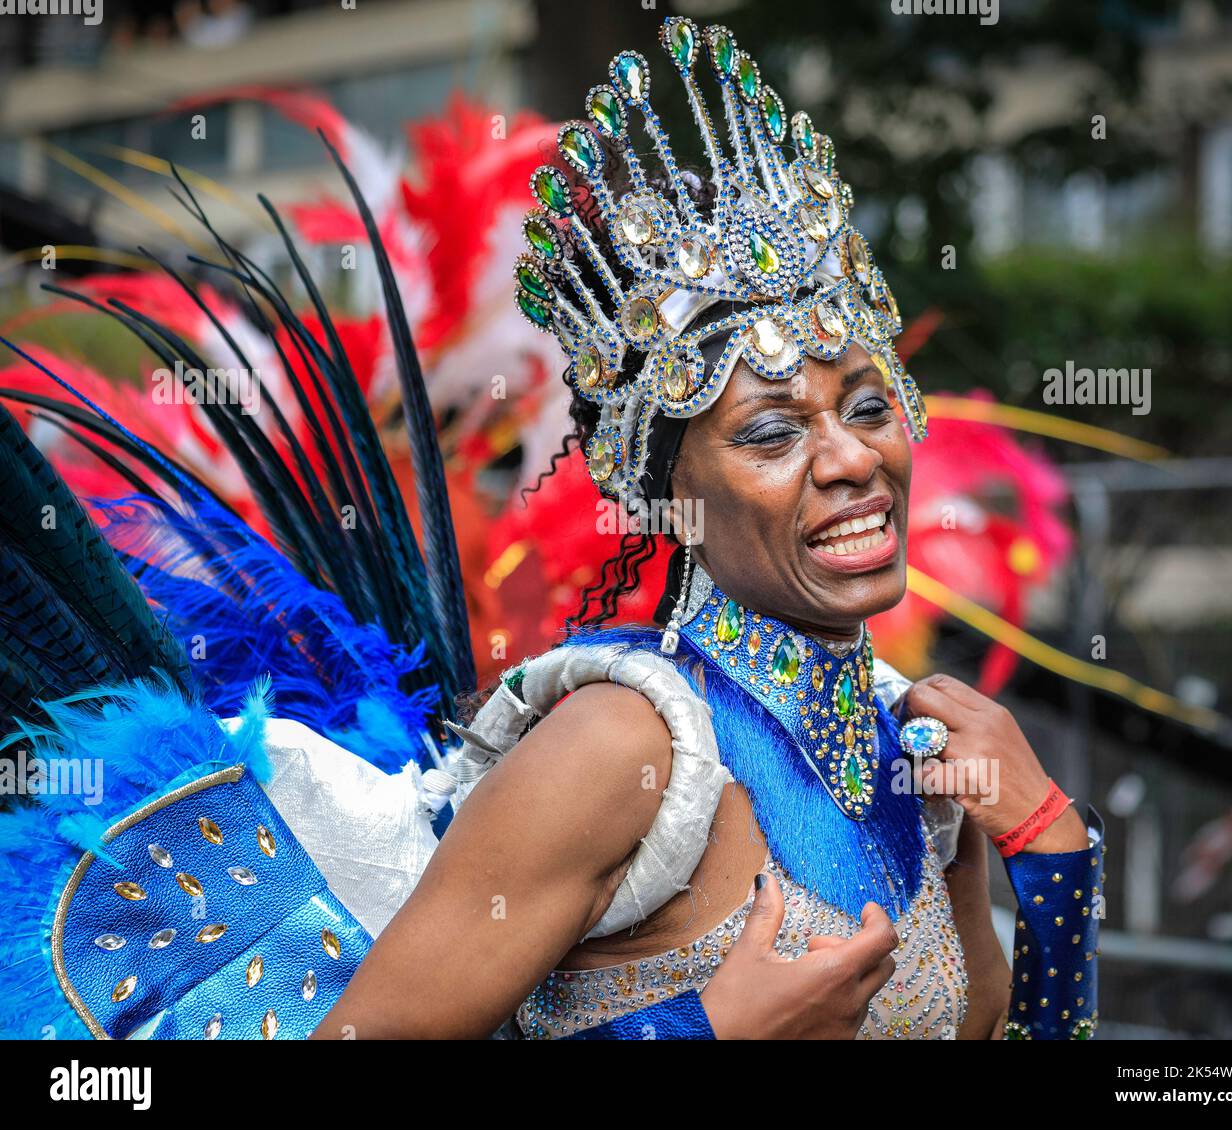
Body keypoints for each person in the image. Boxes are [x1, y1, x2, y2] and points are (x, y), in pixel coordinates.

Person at [0, 17, 1101, 1042]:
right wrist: (699, 1029)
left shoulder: (920, 752)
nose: (852, 457)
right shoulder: (628, 747)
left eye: (867, 407)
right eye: (769, 433)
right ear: (663, 487)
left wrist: (1050, 850)